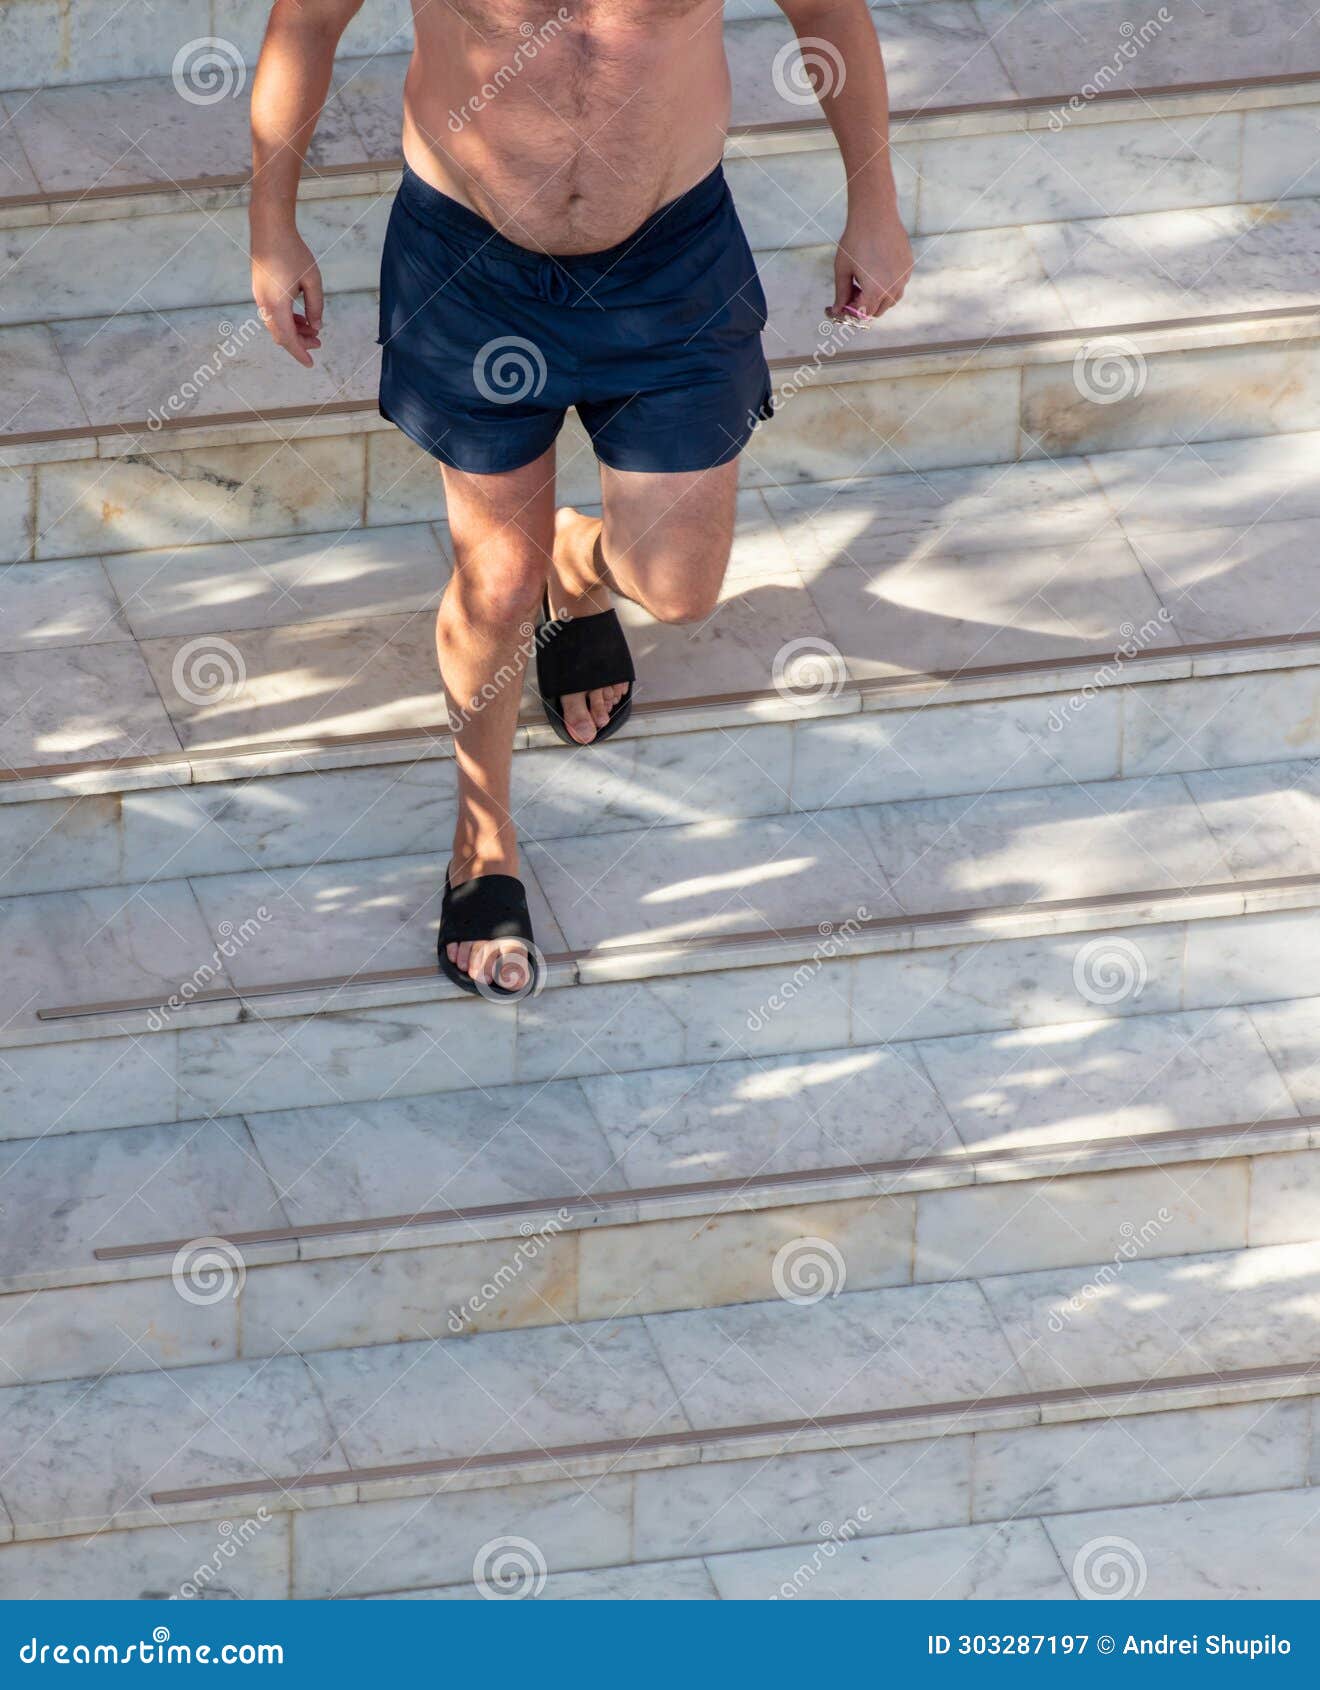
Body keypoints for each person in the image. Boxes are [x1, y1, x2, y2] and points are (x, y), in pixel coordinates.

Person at [249, 0, 912, 997]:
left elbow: (824, 10)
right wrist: (271, 226)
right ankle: (485, 840)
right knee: (496, 576)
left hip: (671, 264)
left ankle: (582, 563)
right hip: (471, 262)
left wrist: (874, 199)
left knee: (679, 586)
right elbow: (307, 21)